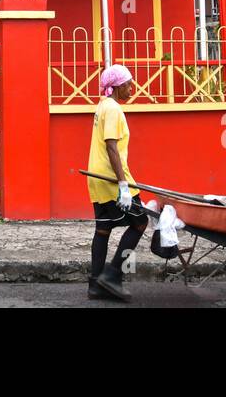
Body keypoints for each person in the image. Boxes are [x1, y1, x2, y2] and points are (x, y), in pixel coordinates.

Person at [86, 62, 147, 301]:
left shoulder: (102, 106)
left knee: (103, 229)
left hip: (97, 177)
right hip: (112, 179)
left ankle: (95, 284)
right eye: (128, 84)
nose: (132, 87)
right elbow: (111, 146)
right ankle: (112, 276)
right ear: (117, 87)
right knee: (140, 223)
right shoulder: (113, 109)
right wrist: (123, 185)